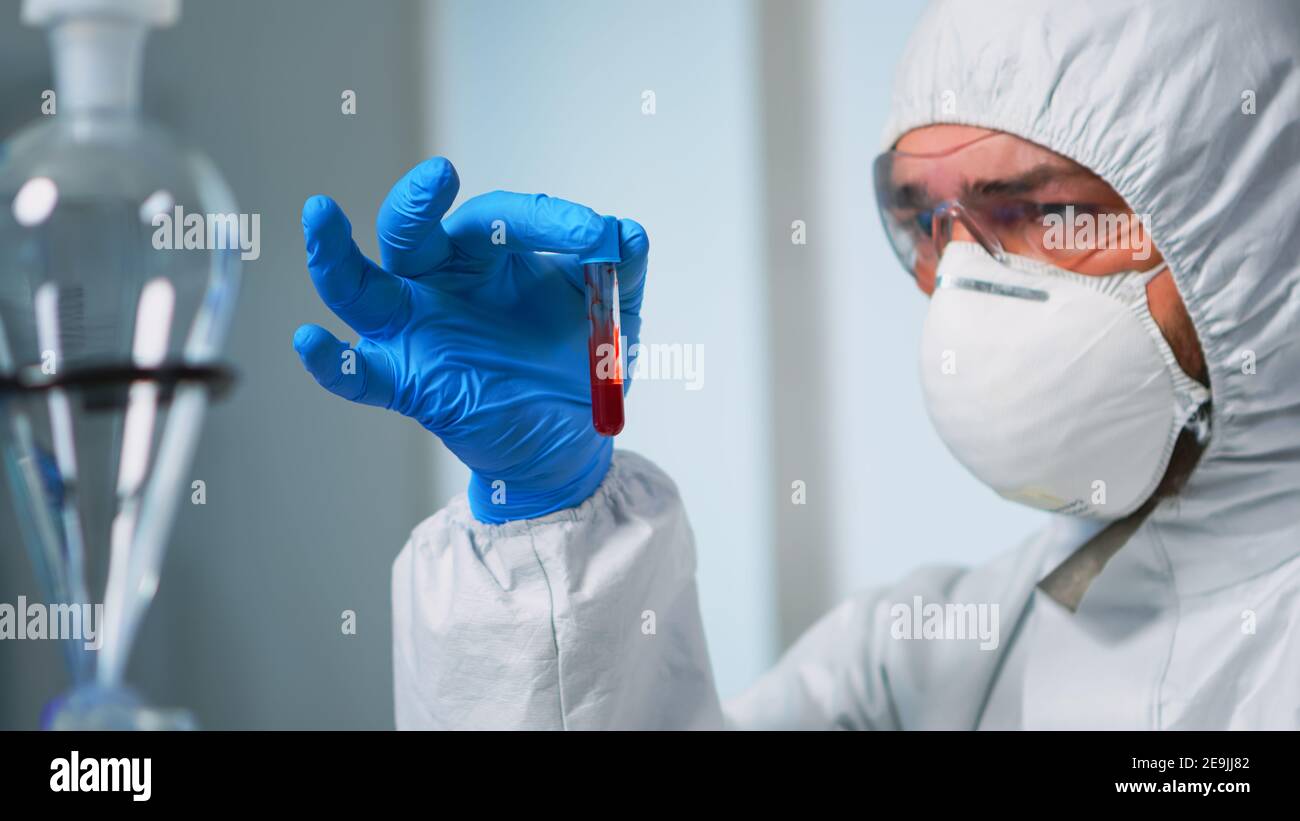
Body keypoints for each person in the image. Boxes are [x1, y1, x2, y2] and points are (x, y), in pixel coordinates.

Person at [292, 0, 1300, 729]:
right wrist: (543, 519)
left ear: (1258, 225)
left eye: (1035, 211)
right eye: (926, 222)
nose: (961, 282)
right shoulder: (924, 662)